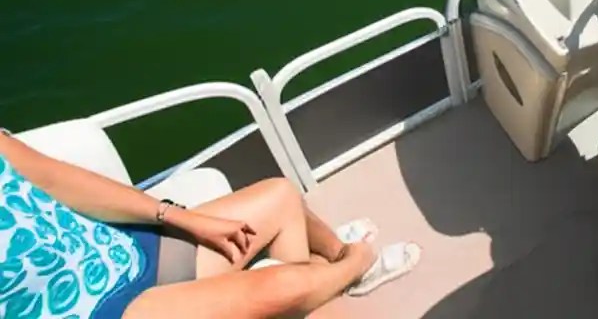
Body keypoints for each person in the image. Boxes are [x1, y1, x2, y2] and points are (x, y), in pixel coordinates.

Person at [0, 127, 420, 318]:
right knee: (284, 287)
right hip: (92, 310)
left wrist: (183, 218)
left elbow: (58, 179)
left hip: (120, 251)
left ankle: (334, 261)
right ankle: (355, 266)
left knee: (281, 198)